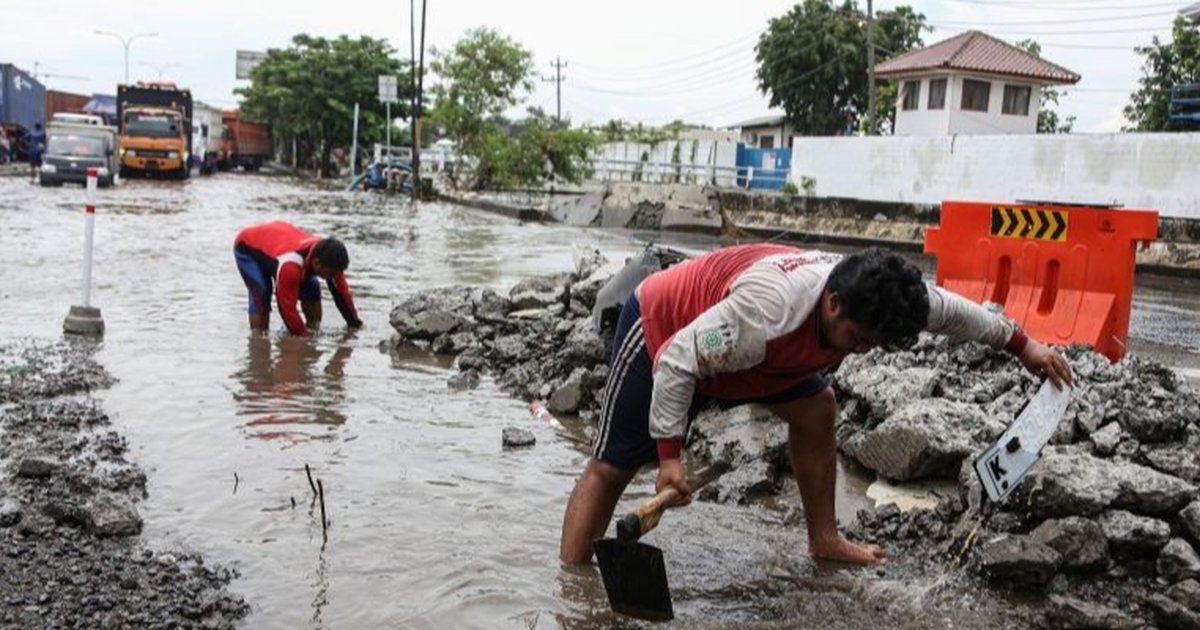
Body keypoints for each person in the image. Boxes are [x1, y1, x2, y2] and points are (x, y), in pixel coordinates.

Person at [559, 244, 1073, 566]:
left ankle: (824, 538)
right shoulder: (769, 310)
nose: (861, 350)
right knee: (614, 466)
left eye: (874, 344)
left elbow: (961, 315)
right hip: (666, 331)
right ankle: (571, 575)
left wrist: (1023, 346)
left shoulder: (886, 298)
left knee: (817, 408)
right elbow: (677, 362)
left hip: (761, 358)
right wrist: (670, 459)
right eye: (857, 338)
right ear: (832, 304)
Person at [233, 220, 363, 335]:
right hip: (247, 247)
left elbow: (342, 294)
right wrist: (303, 338)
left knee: (312, 287)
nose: (335, 277)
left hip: (279, 243)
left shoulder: (330, 258)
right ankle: (258, 339)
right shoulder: (291, 265)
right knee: (262, 291)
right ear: (317, 263)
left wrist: (355, 324)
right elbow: (286, 309)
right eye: (332, 274)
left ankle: (313, 328)